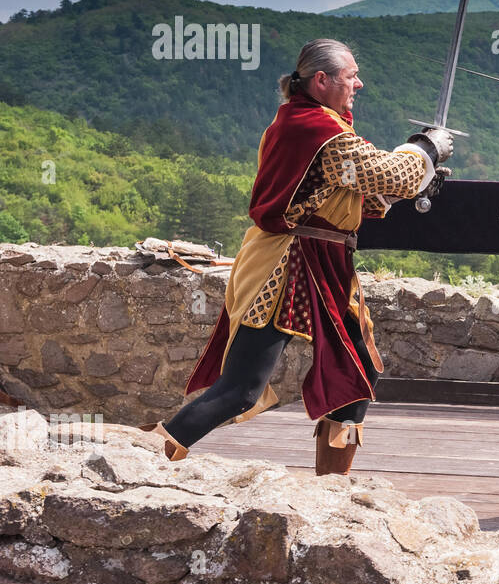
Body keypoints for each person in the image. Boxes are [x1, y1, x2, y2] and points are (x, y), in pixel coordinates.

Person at [140, 38, 452, 475]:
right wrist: (426, 149)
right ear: (321, 80)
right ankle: (144, 457)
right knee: (240, 388)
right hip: (285, 263)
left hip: (323, 262)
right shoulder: (315, 130)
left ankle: (331, 490)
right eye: (350, 76)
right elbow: (387, 172)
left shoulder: (318, 125)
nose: (359, 83)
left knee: (357, 371)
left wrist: (416, 182)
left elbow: (353, 195)